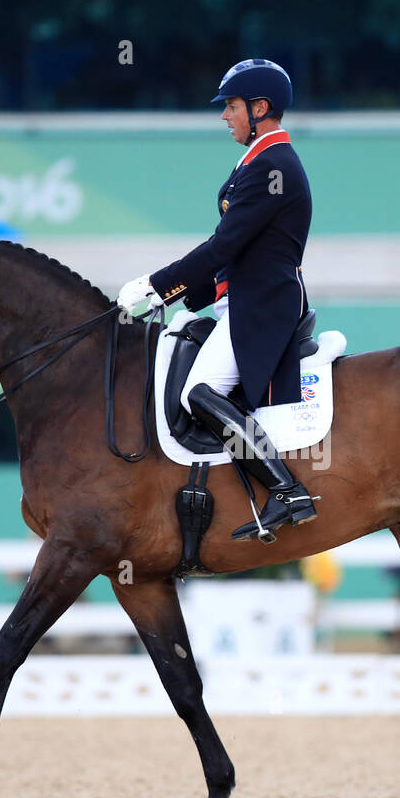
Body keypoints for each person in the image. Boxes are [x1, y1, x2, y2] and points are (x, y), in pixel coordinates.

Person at [117, 58, 317, 543]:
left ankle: (287, 490)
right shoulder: (256, 163)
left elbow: (222, 247)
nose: (225, 116)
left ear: (260, 107)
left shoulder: (272, 165)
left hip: (262, 307)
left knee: (198, 392)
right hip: (244, 299)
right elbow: (232, 254)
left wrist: (156, 284)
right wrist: (186, 298)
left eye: (231, 106)